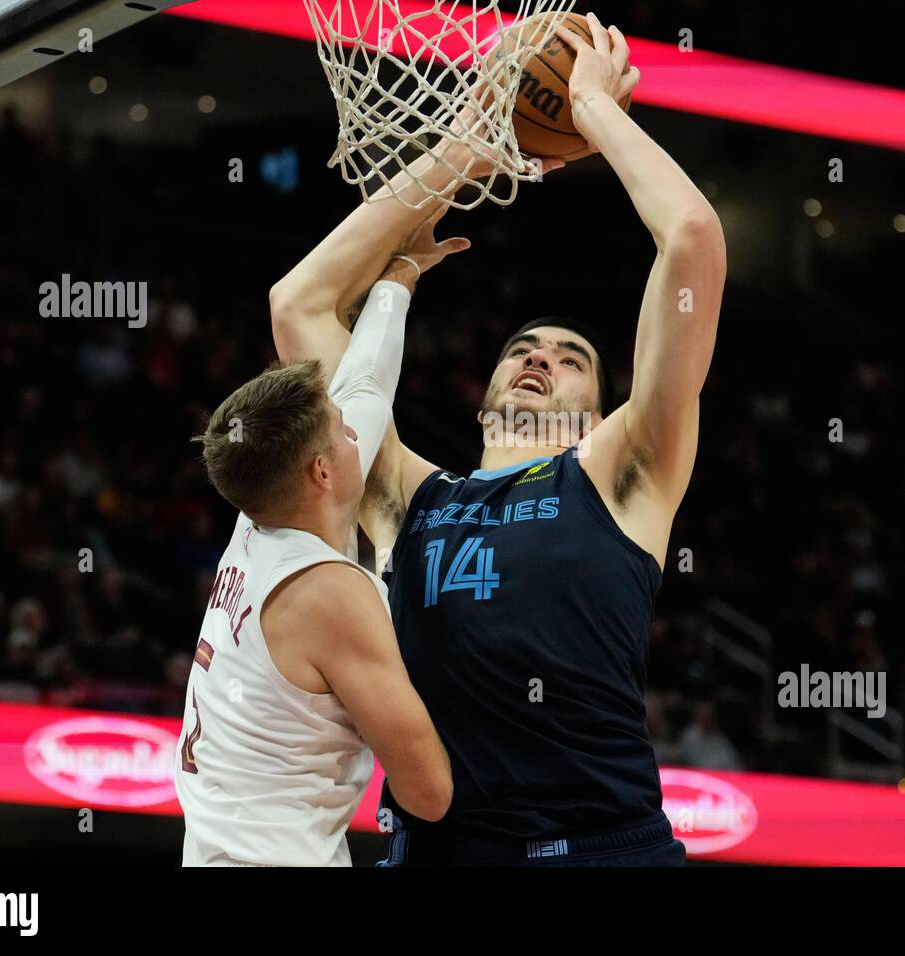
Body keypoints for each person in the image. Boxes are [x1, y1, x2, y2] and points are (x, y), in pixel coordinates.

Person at [272, 11, 726, 866]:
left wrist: (592, 107)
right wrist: (471, 148)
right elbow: (297, 306)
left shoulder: (627, 473)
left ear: (599, 413)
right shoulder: (407, 497)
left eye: (569, 360)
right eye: (523, 351)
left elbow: (692, 238)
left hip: (600, 850)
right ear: (484, 404)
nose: (540, 361)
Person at [174, 209, 466, 866]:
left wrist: (402, 275)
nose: (352, 423)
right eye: (339, 427)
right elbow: (429, 791)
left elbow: (365, 384)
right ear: (323, 471)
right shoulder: (328, 593)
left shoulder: (262, 507)